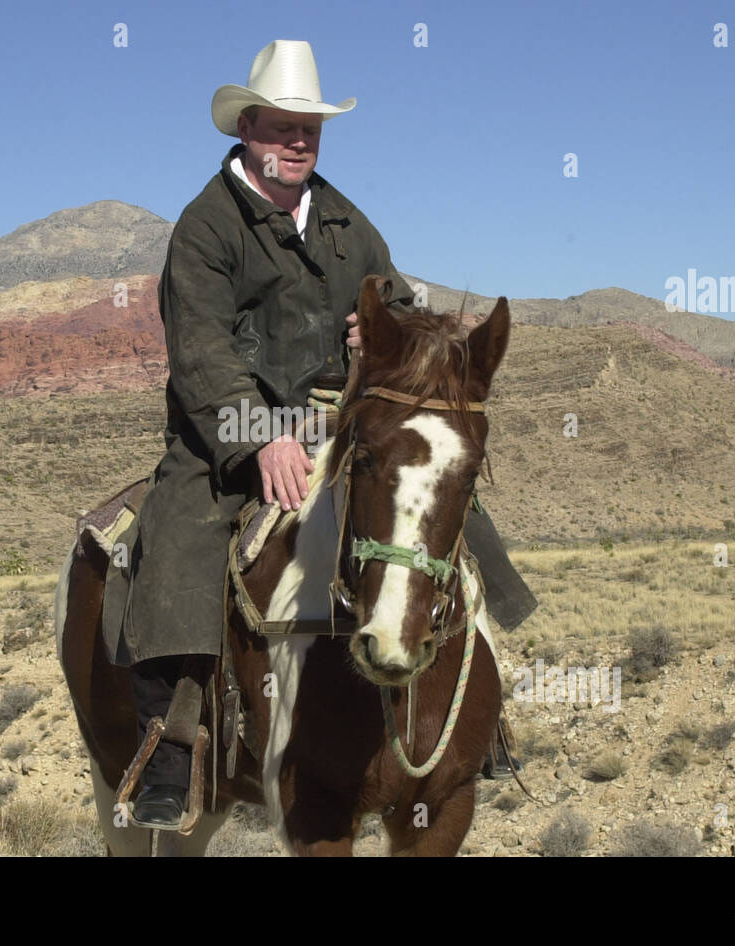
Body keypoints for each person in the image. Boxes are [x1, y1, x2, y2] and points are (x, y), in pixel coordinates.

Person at [122, 40, 537, 826]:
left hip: (334, 423)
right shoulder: (207, 229)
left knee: (447, 515)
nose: (298, 141)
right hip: (230, 436)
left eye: (308, 128)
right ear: (245, 127)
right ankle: (172, 739)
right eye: (281, 126)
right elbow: (201, 351)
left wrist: (381, 339)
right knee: (180, 533)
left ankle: (477, 713)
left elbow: (402, 306)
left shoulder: (347, 221)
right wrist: (261, 438)